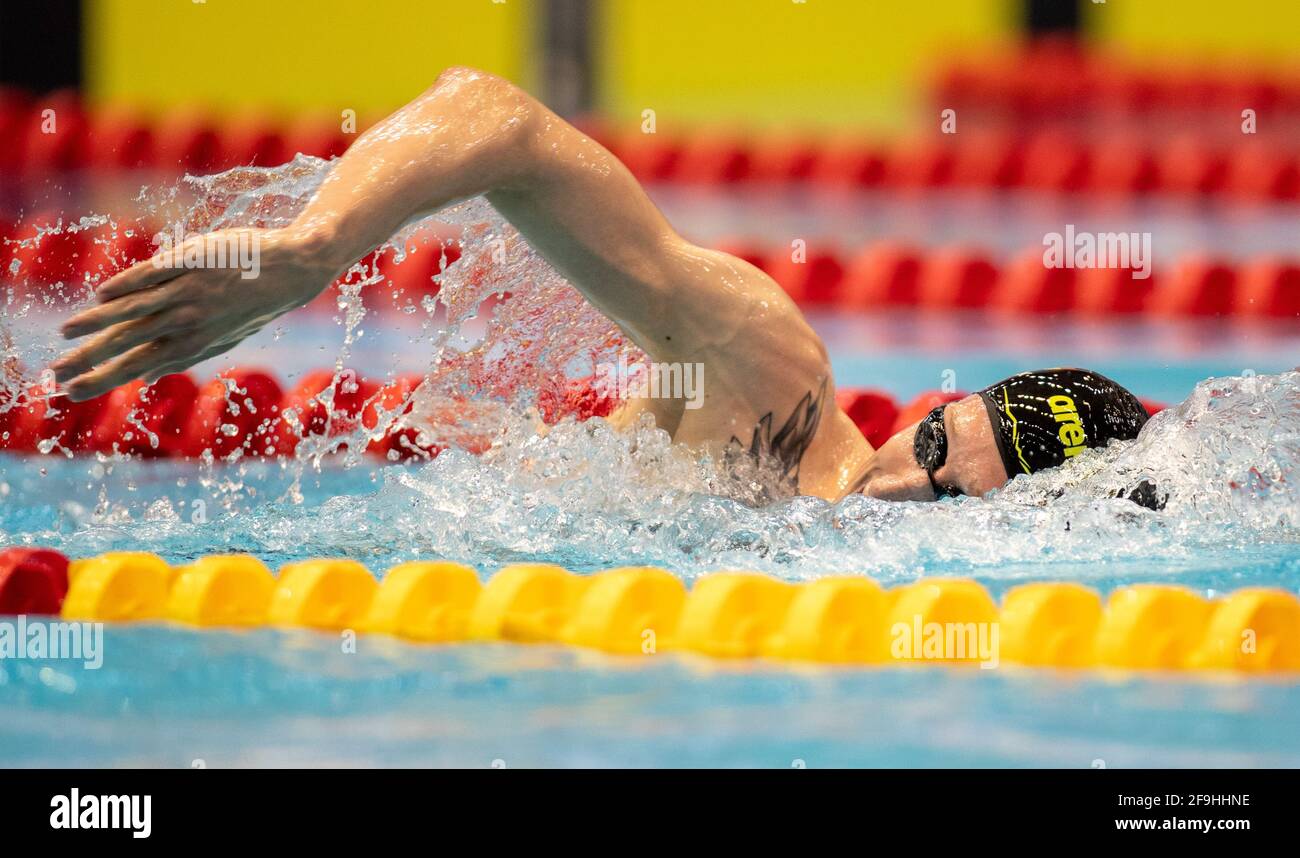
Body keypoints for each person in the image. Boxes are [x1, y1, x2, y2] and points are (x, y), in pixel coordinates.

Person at [51, 67, 1151, 502]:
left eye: (954, 503)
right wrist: (310, 248)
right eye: (928, 455)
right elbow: (502, 120)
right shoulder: (773, 387)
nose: (907, 494)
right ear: (932, 410)